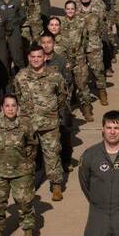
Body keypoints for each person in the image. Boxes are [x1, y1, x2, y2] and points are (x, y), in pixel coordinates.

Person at [9, 44, 69, 201]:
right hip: (28, 125)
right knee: (27, 156)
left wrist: (52, 112)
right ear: (29, 58)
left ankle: (56, 185)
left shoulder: (55, 76)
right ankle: (27, 184)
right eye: (33, 57)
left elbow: (62, 96)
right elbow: (16, 96)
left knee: (52, 154)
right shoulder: (21, 77)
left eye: (39, 56)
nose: (36, 60)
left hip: (49, 124)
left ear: (45, 57)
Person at [0, 94, 39, 236]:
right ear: (2, 108)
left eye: (13, 105)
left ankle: (28, 233)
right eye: (7, 106)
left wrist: (25, 161)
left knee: (24, 202)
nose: (10, 109)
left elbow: (33, 145)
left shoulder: (26, 126)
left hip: (22, 172)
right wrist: (0, 158)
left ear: (18, 108)